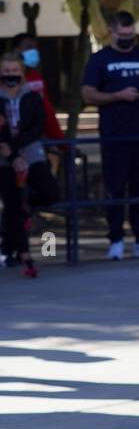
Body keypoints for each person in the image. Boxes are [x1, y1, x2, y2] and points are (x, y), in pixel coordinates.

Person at [81, 11, 139, 259]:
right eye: (123, 34)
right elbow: (88, 94)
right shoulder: (100, 59)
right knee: (115, 188)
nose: (128, 38)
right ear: (112, 32)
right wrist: (117, 96)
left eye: (131, 34)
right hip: (113, 135)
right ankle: (115, 240)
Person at [0, 52, 54, 276]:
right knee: (11, 206)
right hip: (4, 159)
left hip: (31, 154)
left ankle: (28, 205)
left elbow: (36, 126)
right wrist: (12, 157)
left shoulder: (32, 97)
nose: (11, 75)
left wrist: (18, 150)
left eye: (15, 71)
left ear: (22, 73)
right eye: (6, 71)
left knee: (49, 192)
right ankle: (22, 254)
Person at [13, 33, 62, 144]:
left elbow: (46, 108)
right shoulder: (7, 80)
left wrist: (57, 138)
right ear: (17, 50)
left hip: (42, 138)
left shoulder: (36, 76)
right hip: (18, 139)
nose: (34, 52)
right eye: (29, 47)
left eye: (35, 48)